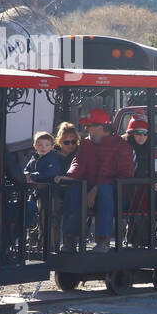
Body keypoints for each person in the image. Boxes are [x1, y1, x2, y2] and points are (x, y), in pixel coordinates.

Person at [56, 108, 134, 253]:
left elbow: (125, 176)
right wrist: (69, 177)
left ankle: (103, 240)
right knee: (73, 188)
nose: (86, 129)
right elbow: (78, 163)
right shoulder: (86, 144)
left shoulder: (121, 146)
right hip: (90, 190)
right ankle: (70, 239)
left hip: (117, 196)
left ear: (100, 127)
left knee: (105, 189)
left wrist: (96, 188)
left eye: (89, 126)